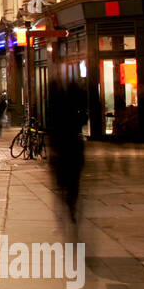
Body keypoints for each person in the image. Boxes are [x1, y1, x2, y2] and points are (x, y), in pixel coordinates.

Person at [48, 74, 87, 222]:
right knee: (74, 179)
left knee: (61, 178)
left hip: (59, 148)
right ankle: (71, 201)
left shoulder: (54, 108)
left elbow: (51, 128)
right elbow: (83, 120)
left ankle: (66, 198)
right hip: (73, 148)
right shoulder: (76, 109)